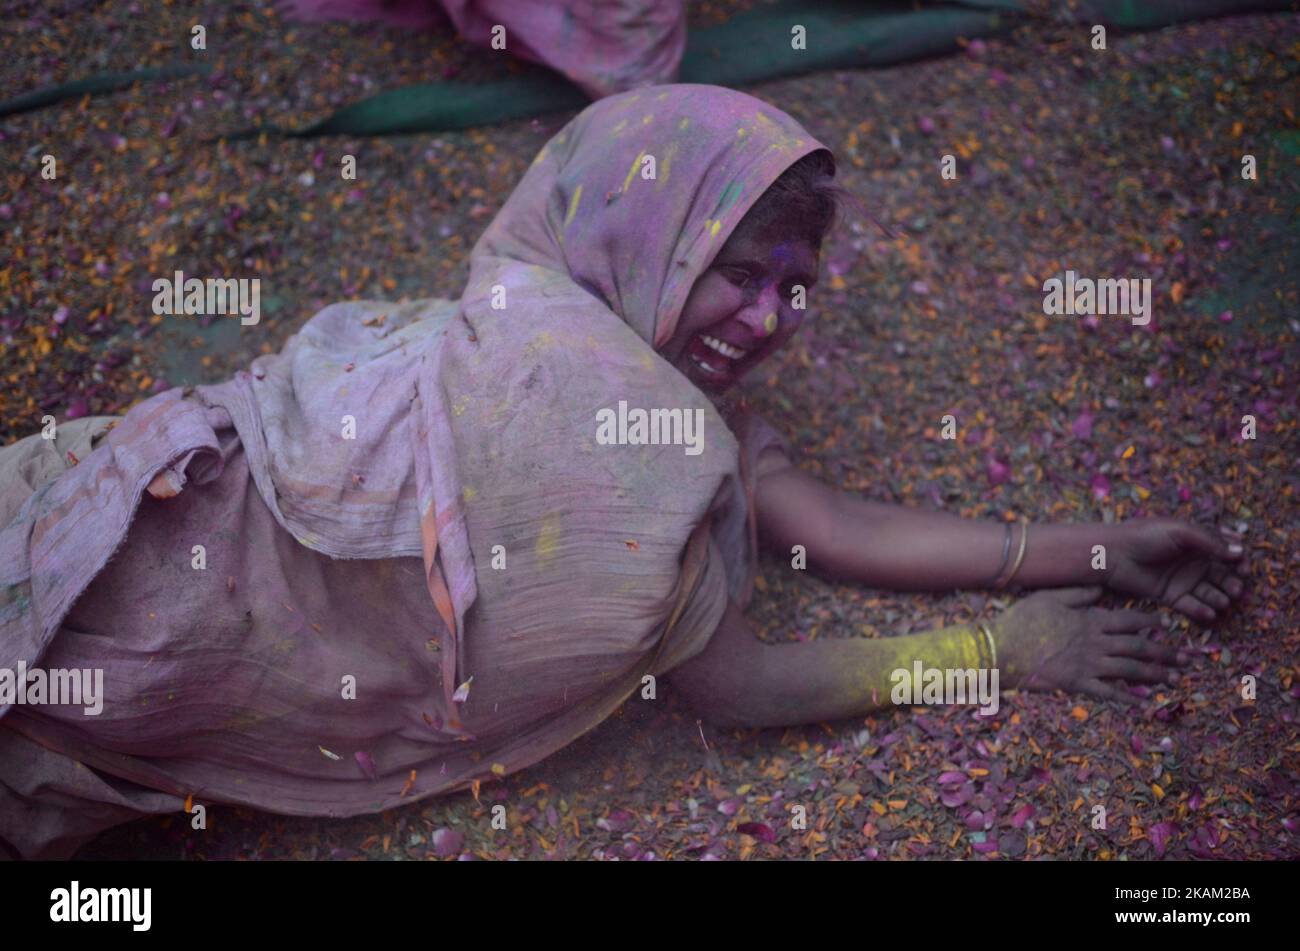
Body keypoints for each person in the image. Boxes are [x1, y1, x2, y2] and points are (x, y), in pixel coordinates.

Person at [0, 84, 1246, 859]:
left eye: (793, 288)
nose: (764, 321)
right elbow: (739, 684)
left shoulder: (606, 363)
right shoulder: (569, 391)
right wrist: (998, 656)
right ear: (637, 232)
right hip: (112, 576)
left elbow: (816, 519)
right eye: (736, 268)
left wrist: (1096, 546)